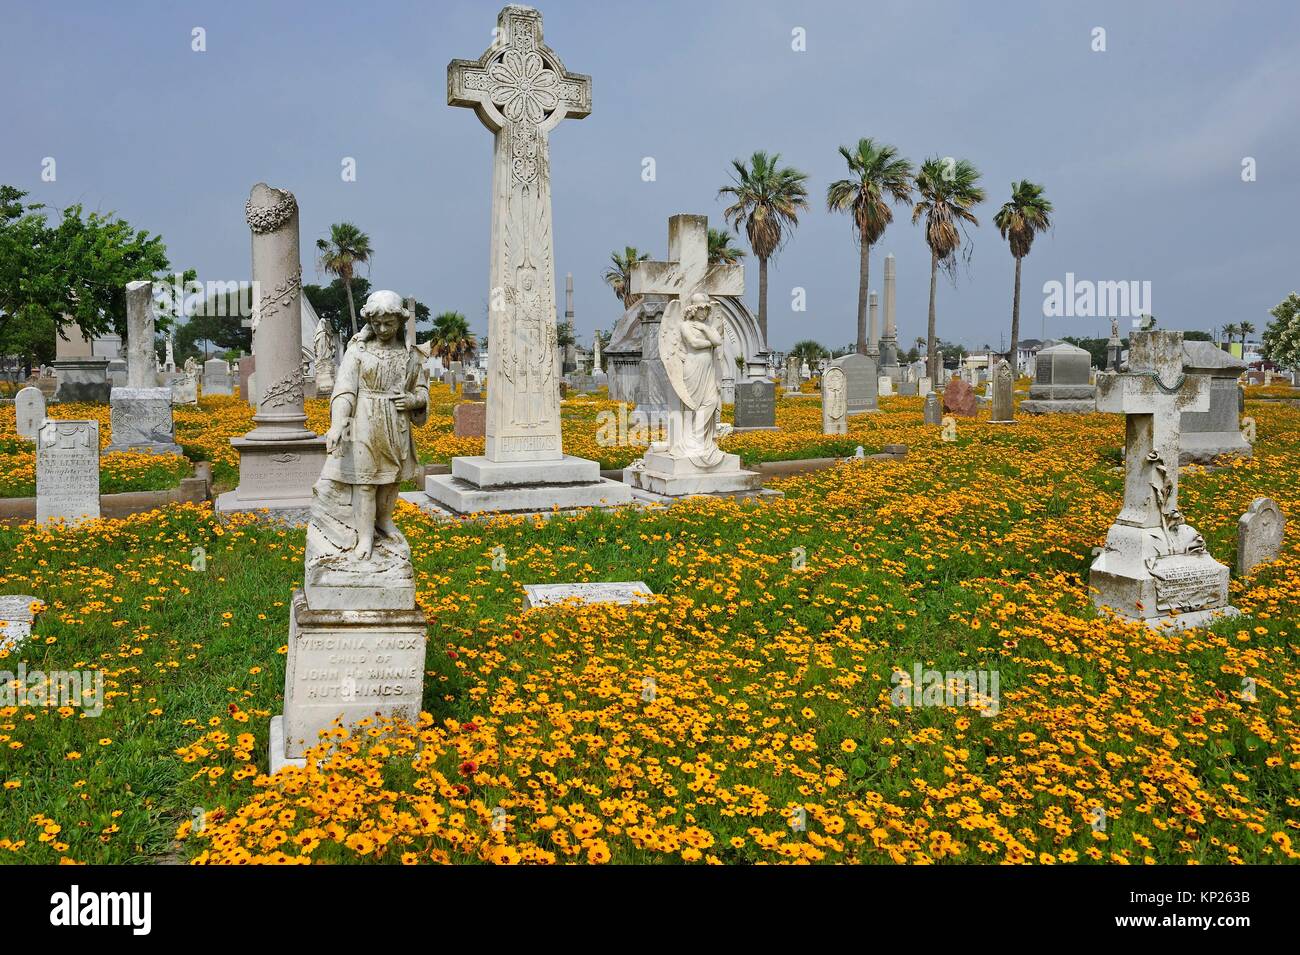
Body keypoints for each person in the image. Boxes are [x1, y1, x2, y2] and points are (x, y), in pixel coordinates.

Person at [321, 290, 428, 560]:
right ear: (369, 321)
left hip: (396, 423)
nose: (382, 329)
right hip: (363, 421)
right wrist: (337, 426)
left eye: (388, 323)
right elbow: (345, 391)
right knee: (365, 482)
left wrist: (413, 400)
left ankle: (384, 519)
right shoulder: (357, 351)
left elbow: (422, 389)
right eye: (377, 323)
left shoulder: (410, 355)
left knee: (391, 480)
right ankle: (365, 536)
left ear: (400, 322)